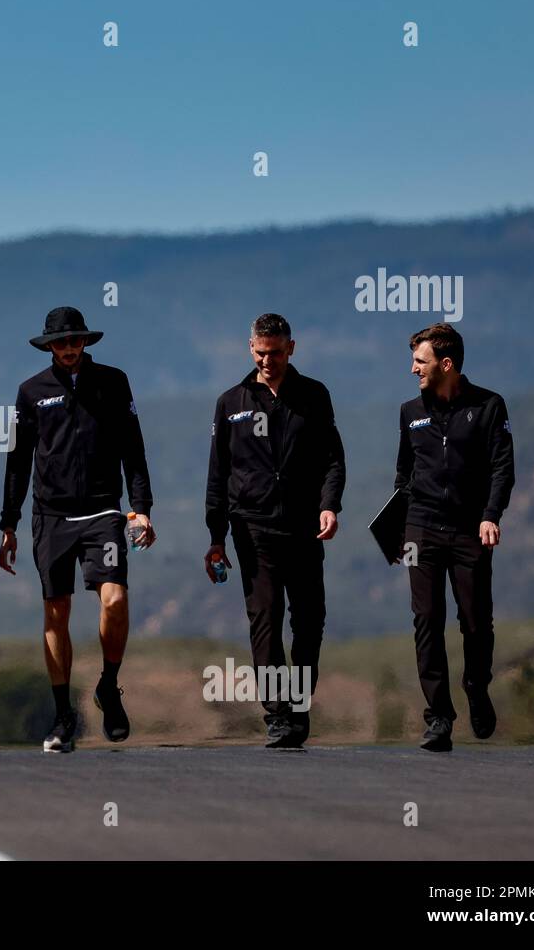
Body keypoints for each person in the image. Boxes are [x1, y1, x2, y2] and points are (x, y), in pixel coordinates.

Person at [0, 307, 155, 753]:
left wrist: (141, 508)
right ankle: (63, 714)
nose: (69, 349)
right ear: (49, 345)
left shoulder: (113, 381)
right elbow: (17, 461)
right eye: (61, 343)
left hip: (104, 512)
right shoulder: (31, 392)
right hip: (50, 517)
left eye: (75, 341)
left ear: (85, 342)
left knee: (115, 597)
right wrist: (8, 523)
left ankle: (109, 684)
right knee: (56, 611)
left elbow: (134, 449)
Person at [204, 313, 345, 748]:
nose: (269, 361)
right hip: (253, 529)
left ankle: (299, 703)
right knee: (265, 618)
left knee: (309, 620)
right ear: (251, 349)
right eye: (261, 353)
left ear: (291, 348)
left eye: (277, 353)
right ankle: (277, 714)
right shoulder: (232, 402)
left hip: (304, 527)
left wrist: (329, 506)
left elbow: (333, 460)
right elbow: (219, 472)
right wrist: (215, 536)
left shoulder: (314, 396)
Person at [394, 323, 515, 752]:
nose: (413, 369)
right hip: (421, 529)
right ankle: (438, 717)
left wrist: (490, 515)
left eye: (420, 361)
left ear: (446, 365)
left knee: (476, 620)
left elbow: (503, 468)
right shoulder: (410, 412)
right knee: (426, 621)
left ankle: (476, 687)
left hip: (470, 530)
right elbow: (404, 477)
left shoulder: (488, 407)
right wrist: (396, 532)